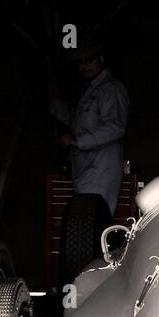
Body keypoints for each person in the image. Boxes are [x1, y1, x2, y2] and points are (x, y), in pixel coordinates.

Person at [48, 43, 130, 217]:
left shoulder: (111, 89)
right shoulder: (89, 91)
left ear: (101, 60)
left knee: (91, 221)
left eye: (89, 61)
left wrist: (78, 141)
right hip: (83, 168)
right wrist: (54, 103)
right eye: (81, 62)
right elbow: (76, 120)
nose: (85, 66)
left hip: (101, 168)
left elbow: (116, 126)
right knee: (84, 223)